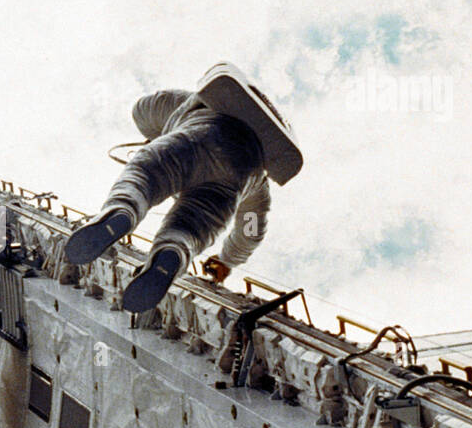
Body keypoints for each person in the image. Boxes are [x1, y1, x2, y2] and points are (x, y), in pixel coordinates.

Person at [63, 64, 301, 313]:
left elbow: (142, 109)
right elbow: (252, 229)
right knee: (191, 227)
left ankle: (123, 210)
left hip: (197, 135)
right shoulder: (260, 188)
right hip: (241, 174)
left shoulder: (183, 103)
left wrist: (157, 138)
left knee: (143, 176)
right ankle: (174, 250)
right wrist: (228, 260)